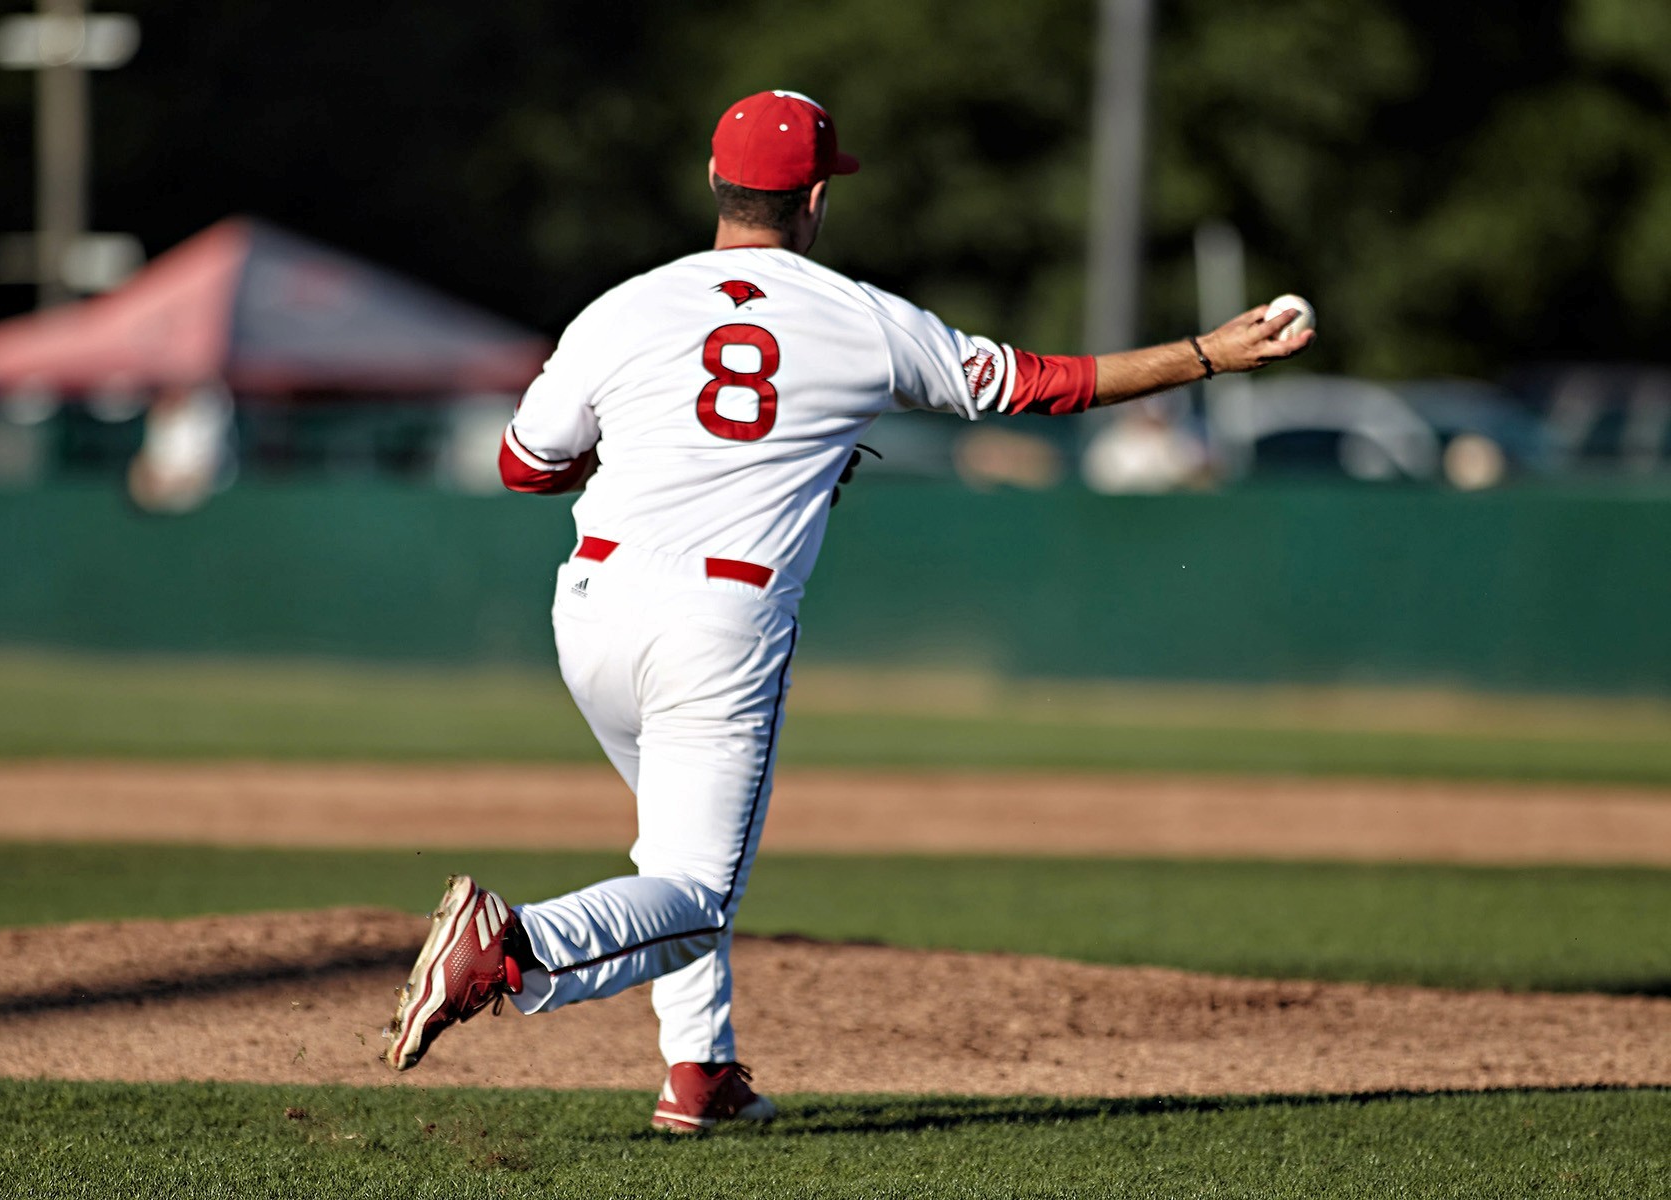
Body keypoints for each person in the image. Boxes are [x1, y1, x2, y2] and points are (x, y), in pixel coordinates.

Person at [382, 89, 1312, 1132]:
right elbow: (1038, 385)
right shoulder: (863, 319)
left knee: (672, 846)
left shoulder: (623, 306)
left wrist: (641, 447)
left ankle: (701, 1075)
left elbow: (523, 465)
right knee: (695, 897)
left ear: (712, 181)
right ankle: (512, 949)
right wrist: (1206, 356)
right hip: (717, 624)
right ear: (817, 197)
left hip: (591, 605)